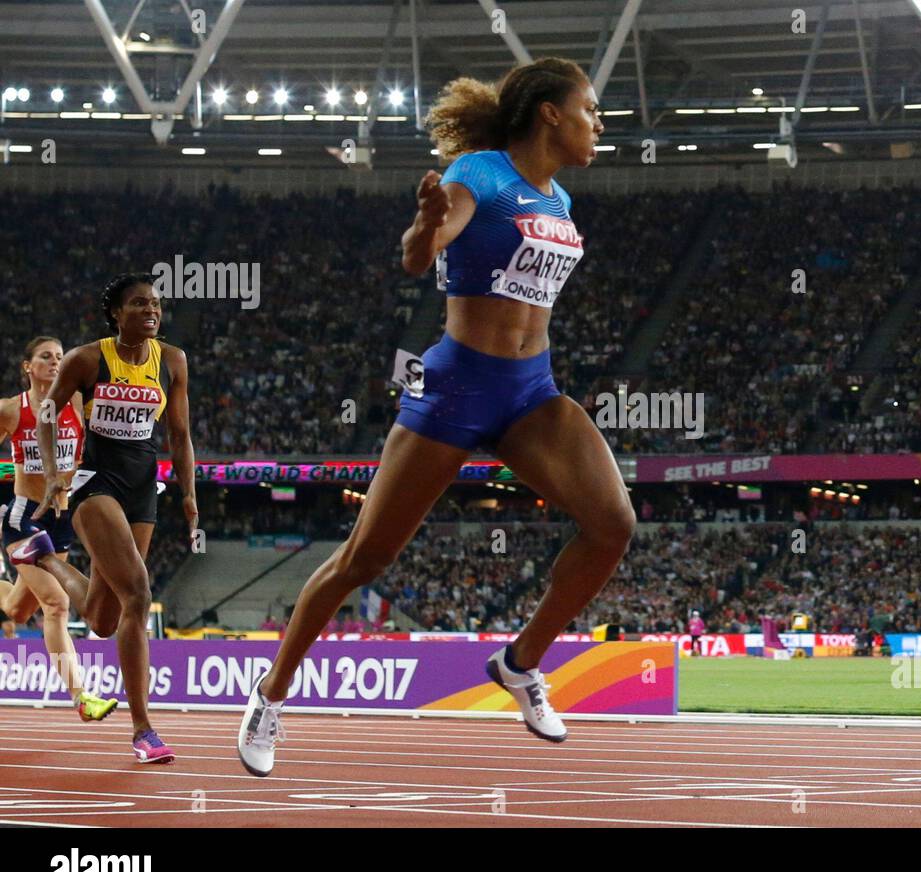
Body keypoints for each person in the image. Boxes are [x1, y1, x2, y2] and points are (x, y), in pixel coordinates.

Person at [238, 57, 632, 777]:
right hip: (453, 388)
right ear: (550, 113)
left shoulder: (563, 203)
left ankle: (519, 664)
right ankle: (271, 693)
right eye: (590, 109)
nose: (598, 123)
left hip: (531, 393)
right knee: (365, 559)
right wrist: (423, 229)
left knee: (613, 525)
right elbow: (421, 257)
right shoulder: (477, 175)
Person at [21, 275, 198, 762]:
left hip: (144, 491)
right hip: (96, 485)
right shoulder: (87, 359)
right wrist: (56, 473)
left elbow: (179, 435)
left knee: (103, 619)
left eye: (156, 304)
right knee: (139, 592)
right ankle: (144, 730)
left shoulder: (174, 360)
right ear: (116, 314)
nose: (150, 311)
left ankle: (49, 559)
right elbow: (47, 413)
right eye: (139, 304)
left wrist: (189, 495)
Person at [0, 336, 117, 720]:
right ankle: (81, 697)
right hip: (25, 519)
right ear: (27, 366)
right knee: (56, 604)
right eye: (45, 358)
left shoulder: (79, 403)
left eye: (60, 357)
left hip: (62, 519)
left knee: (17, 609)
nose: (54, 363)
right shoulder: (11, 410)